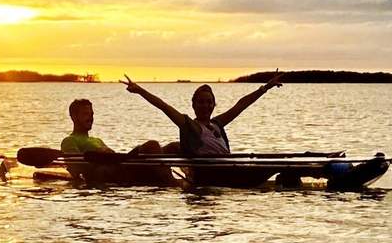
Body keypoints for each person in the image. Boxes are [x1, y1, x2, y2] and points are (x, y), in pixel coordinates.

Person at [121, 74, 284, 186]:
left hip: (231, 169)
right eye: (201, 102)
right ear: (194, 104)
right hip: (211, 175)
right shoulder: (189, 125)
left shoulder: (217, 124)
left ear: (214, 104)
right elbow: (164, 106)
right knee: (275, 167)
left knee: (282, 166)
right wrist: (139, 90)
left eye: (209, 102)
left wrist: (266, 87)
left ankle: (290, 181)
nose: (205, 106)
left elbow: (241, 105)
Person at [59, 98, 171, 185]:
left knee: (173, 147)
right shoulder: (69, 140)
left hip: (120, 165)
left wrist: (106, 152)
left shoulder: (97, 140)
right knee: (152, 145)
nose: (90, 118)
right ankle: (172, 183)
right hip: (109, 172)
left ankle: (175, 177)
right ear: (73, 117)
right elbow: (76, 168)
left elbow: (112, 155)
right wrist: (99, 152)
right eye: (85, 114)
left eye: (92, 114)